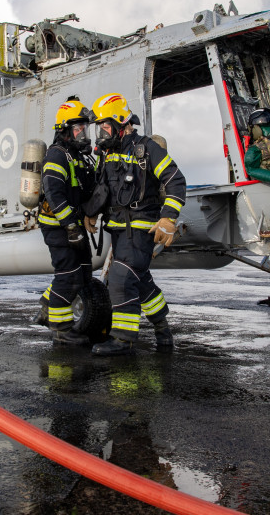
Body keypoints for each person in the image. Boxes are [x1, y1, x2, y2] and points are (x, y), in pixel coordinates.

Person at [87, 93, 187, 356]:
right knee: (140, 280)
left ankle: (122, 339)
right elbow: (103, 188)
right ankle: (163, 329)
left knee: (120, 278)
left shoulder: (148, 149)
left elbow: (176, 181)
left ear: (121, 122)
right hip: (119, 229)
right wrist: (91, 213)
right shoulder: (107, 152)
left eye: (105, 125)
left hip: (142, 229)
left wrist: (168, 218)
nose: (102, 131)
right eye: (100, 127)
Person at [38, 97, 98, 345]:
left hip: (72, 226)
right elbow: (54, 193)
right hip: (58, 227)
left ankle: (46, 306)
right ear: (64, 130)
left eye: (84, 127)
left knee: (82, 274)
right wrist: (71, 226)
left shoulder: (79, 157)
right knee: (69, 276)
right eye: (78, 127)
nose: (83, 132)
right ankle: (61, 329)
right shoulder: (57, 155)